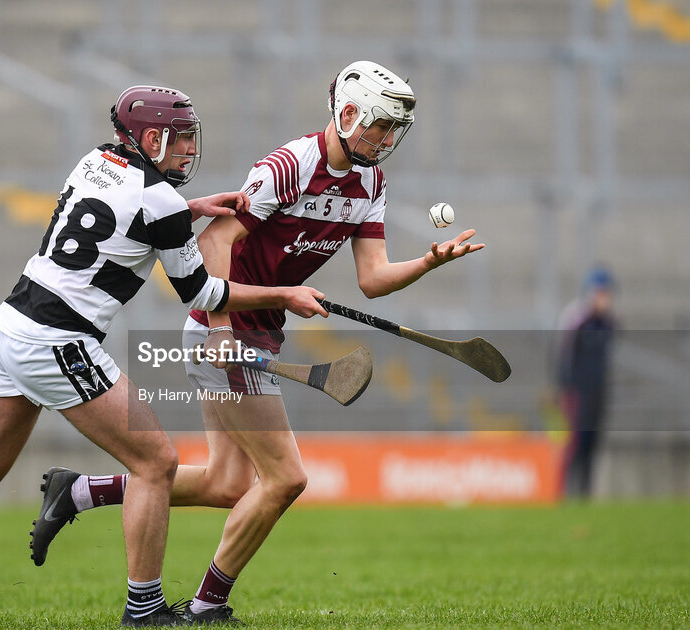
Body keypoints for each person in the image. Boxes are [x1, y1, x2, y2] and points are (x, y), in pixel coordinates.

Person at [0, 85, 329, 626]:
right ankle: (144, 609)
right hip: (57, 339)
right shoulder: (160, 201)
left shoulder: (96, 161)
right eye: (181, 138)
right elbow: (203, 294)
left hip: (11, 324)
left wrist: (189, 209)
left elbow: (119, 217)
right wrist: (285, 295)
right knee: (155, 463)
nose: (190, 148)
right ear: (150, 138)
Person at [29, 61, 486, 623]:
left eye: (395, 129)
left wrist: (428, 262)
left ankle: (79, 492)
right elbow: (215, 241)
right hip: (226, 334)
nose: (387, 139)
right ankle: (207, 605)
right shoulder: (290, 167)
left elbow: (373, 279)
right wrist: (222, 331)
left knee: (226, 484)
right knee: (287, 478)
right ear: (348, 115)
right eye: (380, 125)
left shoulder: (371, 185)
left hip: (260, 332)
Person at [555, 266, 618, 499]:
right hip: (576, 393)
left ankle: (585, 494)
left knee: (592, 444)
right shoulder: (577, 319)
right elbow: (563, 355)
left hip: (597, 392)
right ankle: (563, 494)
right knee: (574, 444)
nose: (604, 299)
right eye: (600, 293)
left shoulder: (608, 323)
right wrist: (564, 389)